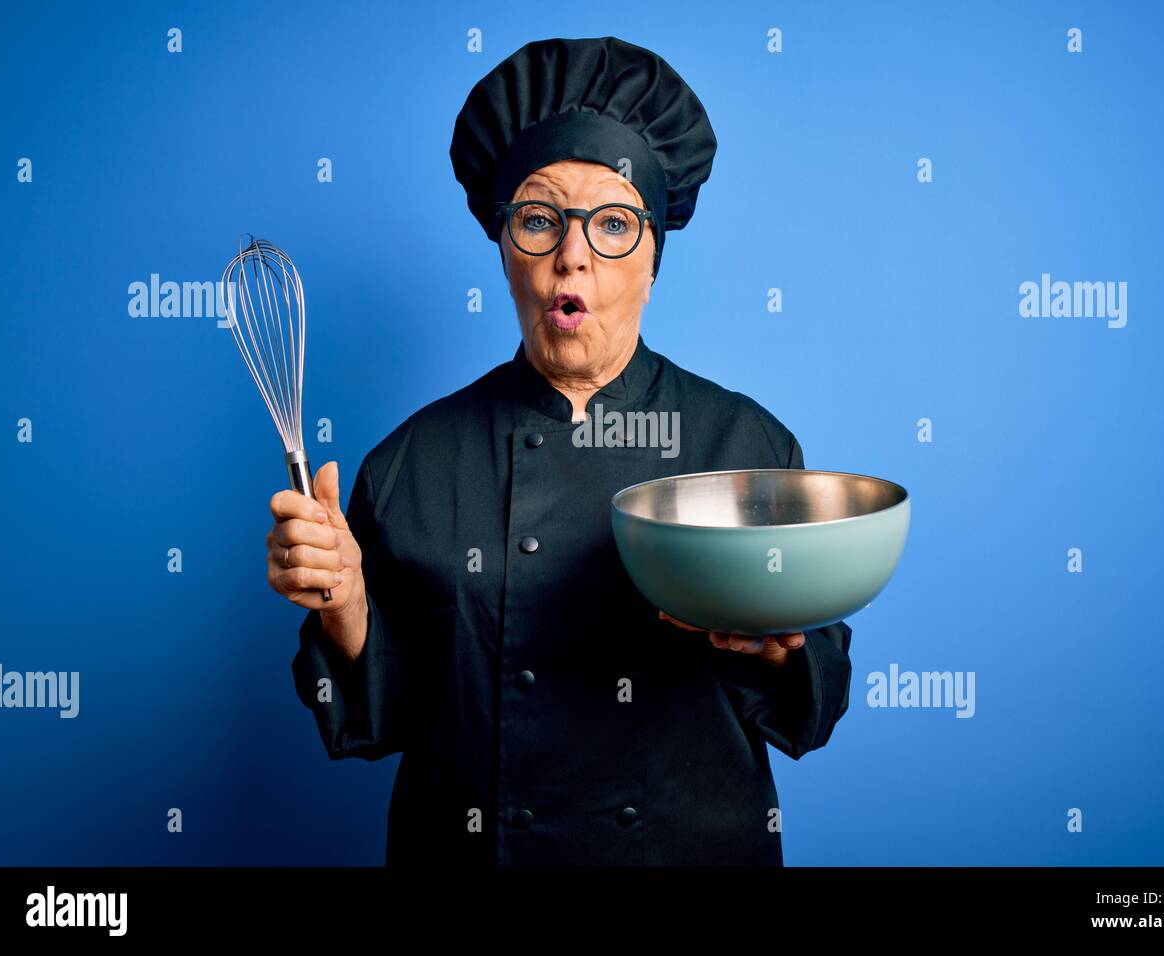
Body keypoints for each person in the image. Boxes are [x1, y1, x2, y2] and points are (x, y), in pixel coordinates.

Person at [269, 36, 853, 867]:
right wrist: (346, 606)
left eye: (613, 223)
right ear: (504, 248)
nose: (572, 254)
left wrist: (776, 647)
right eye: (539, 219)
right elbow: (377, 721)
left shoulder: (744, 446)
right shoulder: (411, 462)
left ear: (654, 258)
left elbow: (814, 708)